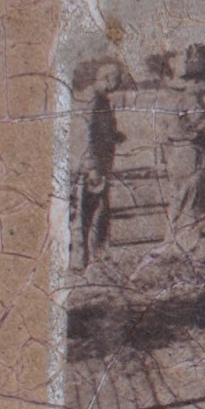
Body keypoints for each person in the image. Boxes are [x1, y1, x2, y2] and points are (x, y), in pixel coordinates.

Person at [159, 44, 205, 254]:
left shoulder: (174, 99)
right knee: (193, 204)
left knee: (177, 202)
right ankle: (187, 249)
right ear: (196, 82)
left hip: (176, 154)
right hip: (191, 154)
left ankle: (171, 245)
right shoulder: (193, 101)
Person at [68, 61, 125, 272]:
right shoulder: (92, 100)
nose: (119, 84)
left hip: (100, 165)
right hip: (91, 168)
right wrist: (92, 167)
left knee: (99, 212)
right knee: (88, 214)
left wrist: (114, 136)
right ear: (109, 79)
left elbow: (99, 132)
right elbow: (86, 135)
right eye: (118, 80)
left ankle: (95, 258)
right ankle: (83, 261)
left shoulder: (101, 100)